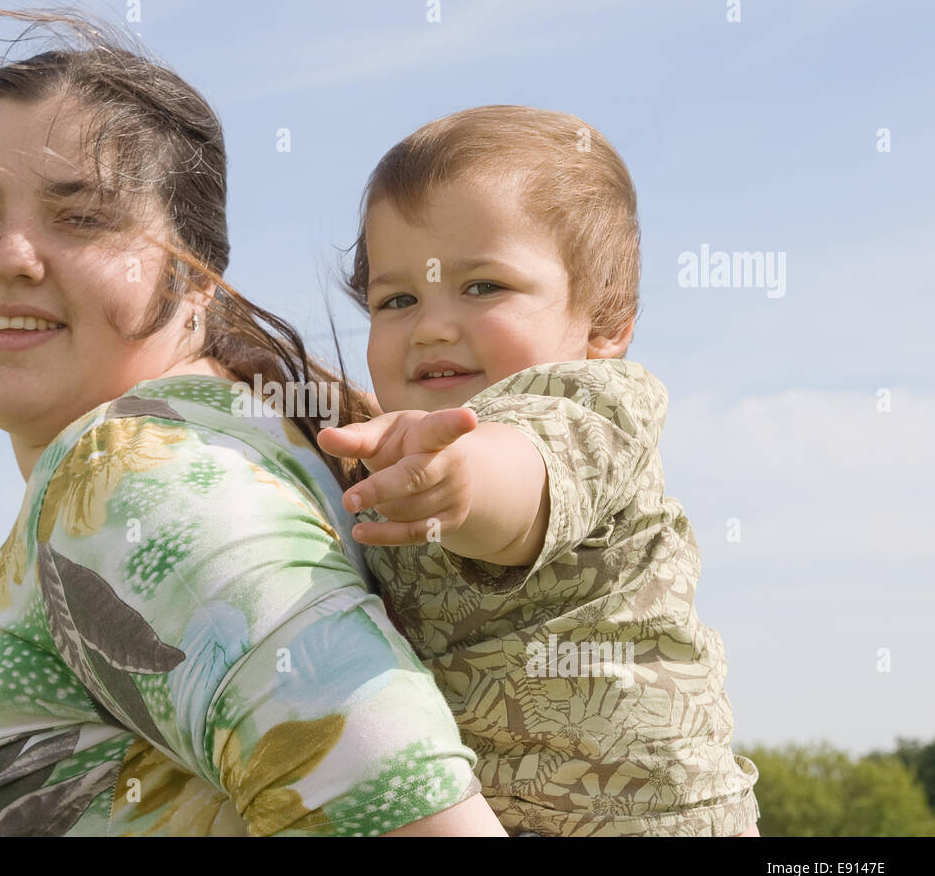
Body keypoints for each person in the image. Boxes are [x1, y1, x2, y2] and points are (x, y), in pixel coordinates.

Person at [0, 5, 502, 837]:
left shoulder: (138, 473)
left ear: (198, 279)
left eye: (81, 216)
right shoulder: (222, 446)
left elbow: (408, 810)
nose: (9, 256)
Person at [318, 105, 761, 836]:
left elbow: (522, 474)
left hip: (645, 819)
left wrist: (460, 480)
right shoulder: (397, 444)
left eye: (483, 287)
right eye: (397, 299)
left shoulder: (593, 406)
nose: (430, 324)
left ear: (604, 324)